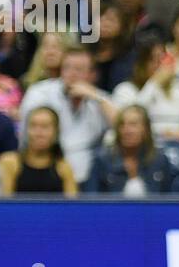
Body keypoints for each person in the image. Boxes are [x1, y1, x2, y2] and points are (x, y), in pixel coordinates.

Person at [17, 45, 116, 183]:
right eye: (67, 68)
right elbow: (24, 137)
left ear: (93, 75)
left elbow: (122, 127)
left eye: (79, 69)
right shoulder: (39, 93)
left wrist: (96, 98)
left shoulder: (100, 99)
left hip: (89, 175)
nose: (72, 74)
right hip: (48, 170)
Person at [111, 39, 179, 141]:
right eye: (154, 60)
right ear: (142, 64)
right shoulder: (125, 90)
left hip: (176, 148)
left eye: (164, 60)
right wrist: (154, 83)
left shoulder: (178, 92)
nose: (161, 66)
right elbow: (132, 118)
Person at [83, 104, 174, 195]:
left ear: (146, 129)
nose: (126, 130)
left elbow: (171, 202)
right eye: (122, 124)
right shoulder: (101, 161)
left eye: (133, 124)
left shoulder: (160, 161)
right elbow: (91, 202)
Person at [0, 105, 78, 195]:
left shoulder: (64, 168)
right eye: (33, 126)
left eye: (45, 127)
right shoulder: (10, 162)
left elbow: (72, 205)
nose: (38, 133)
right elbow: (5, 204)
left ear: (56, 131)